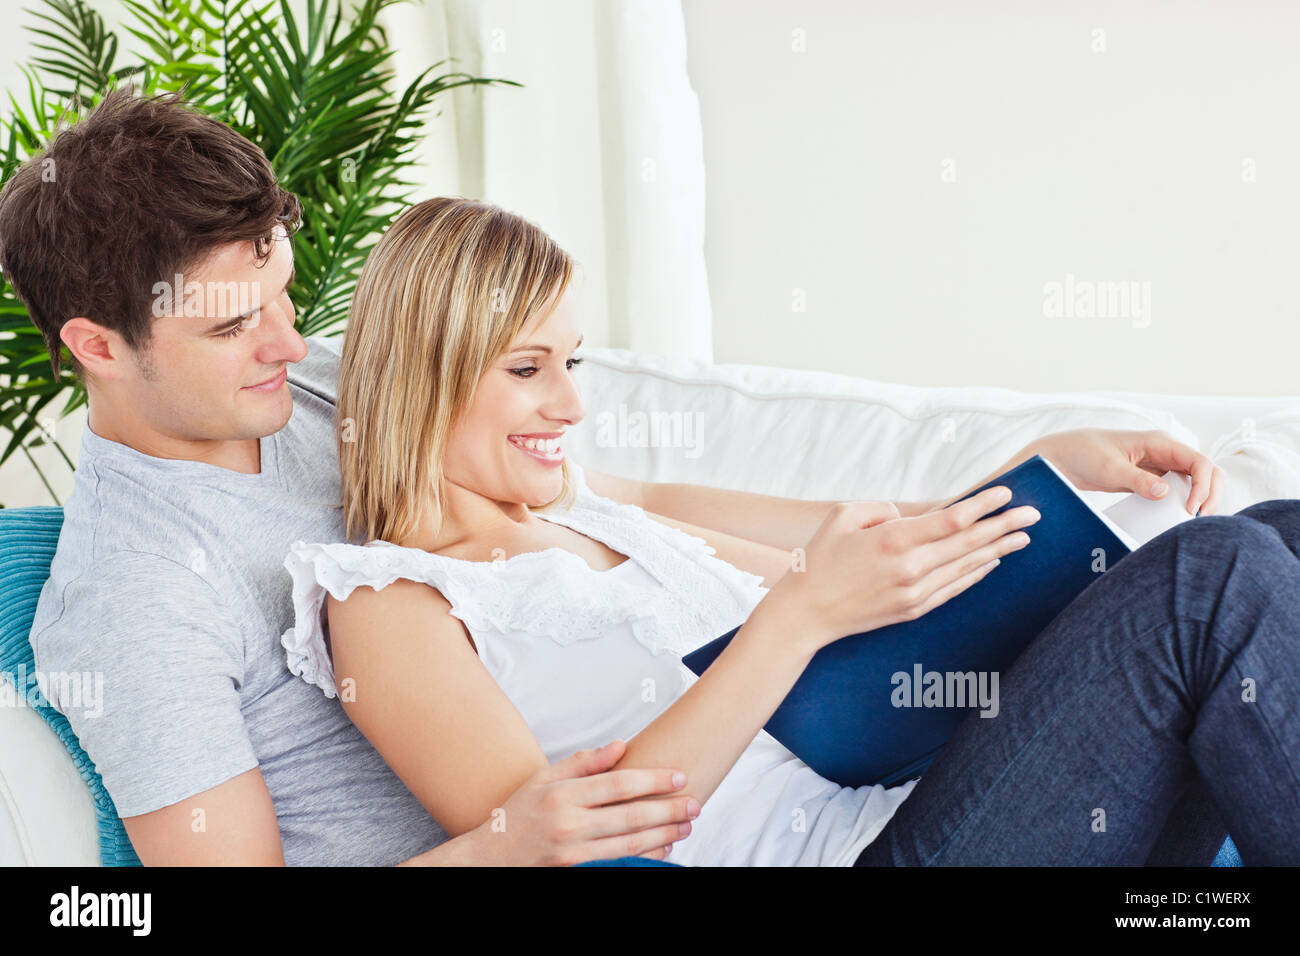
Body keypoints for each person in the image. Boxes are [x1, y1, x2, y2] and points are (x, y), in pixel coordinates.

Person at [283, 196, 1295, 866]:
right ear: (425, 371)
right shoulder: (389, 601)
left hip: (930, 798)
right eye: (525, 367)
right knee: (1211, 579)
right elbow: (576, 845)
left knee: (1274, 530)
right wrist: (794, 622)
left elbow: (848, 554)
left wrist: (1047, 465)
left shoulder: (590, 500)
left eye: (572, 363)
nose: (568, 406)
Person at [1, 88, 704, 866]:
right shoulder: (137, 598)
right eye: (233, 326)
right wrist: (498, 849)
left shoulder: (325, 386)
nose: (293, 346)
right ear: (98, 348)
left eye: (285, 297)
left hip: (678, 776)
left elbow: (602, 505)